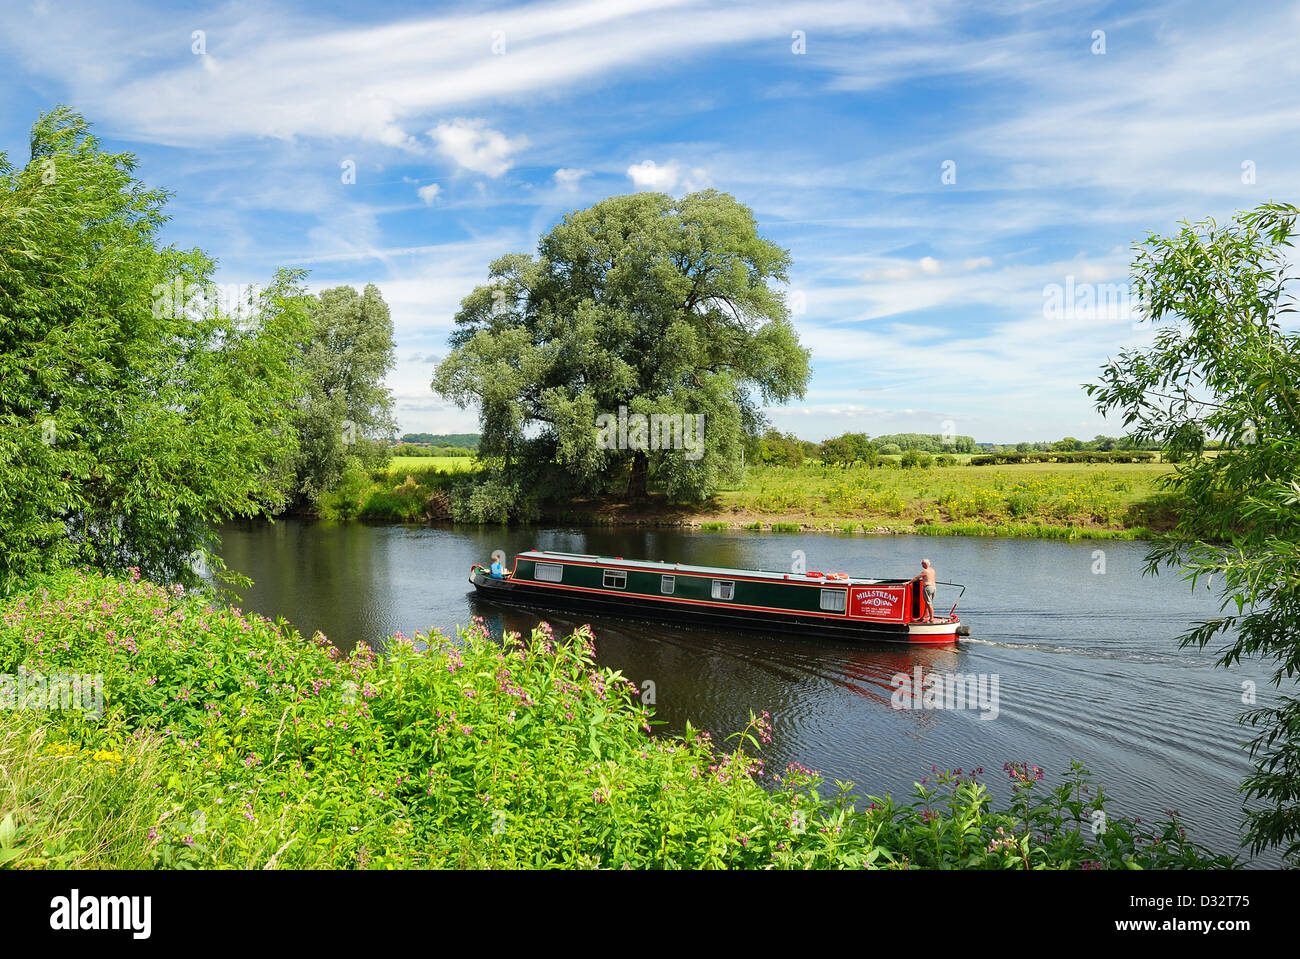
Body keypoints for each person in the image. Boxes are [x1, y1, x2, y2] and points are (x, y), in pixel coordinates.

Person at [911, 559, 937, 623]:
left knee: (929, 603)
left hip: (928, 588)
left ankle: (931, 618)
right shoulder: (932, 570)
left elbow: (916, 578)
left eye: (922, 563)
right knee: (927, 603)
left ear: (925, 564)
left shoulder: (925, 571)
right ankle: (923, 617)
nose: (921, 565)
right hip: (933, 588)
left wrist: (909, 582)